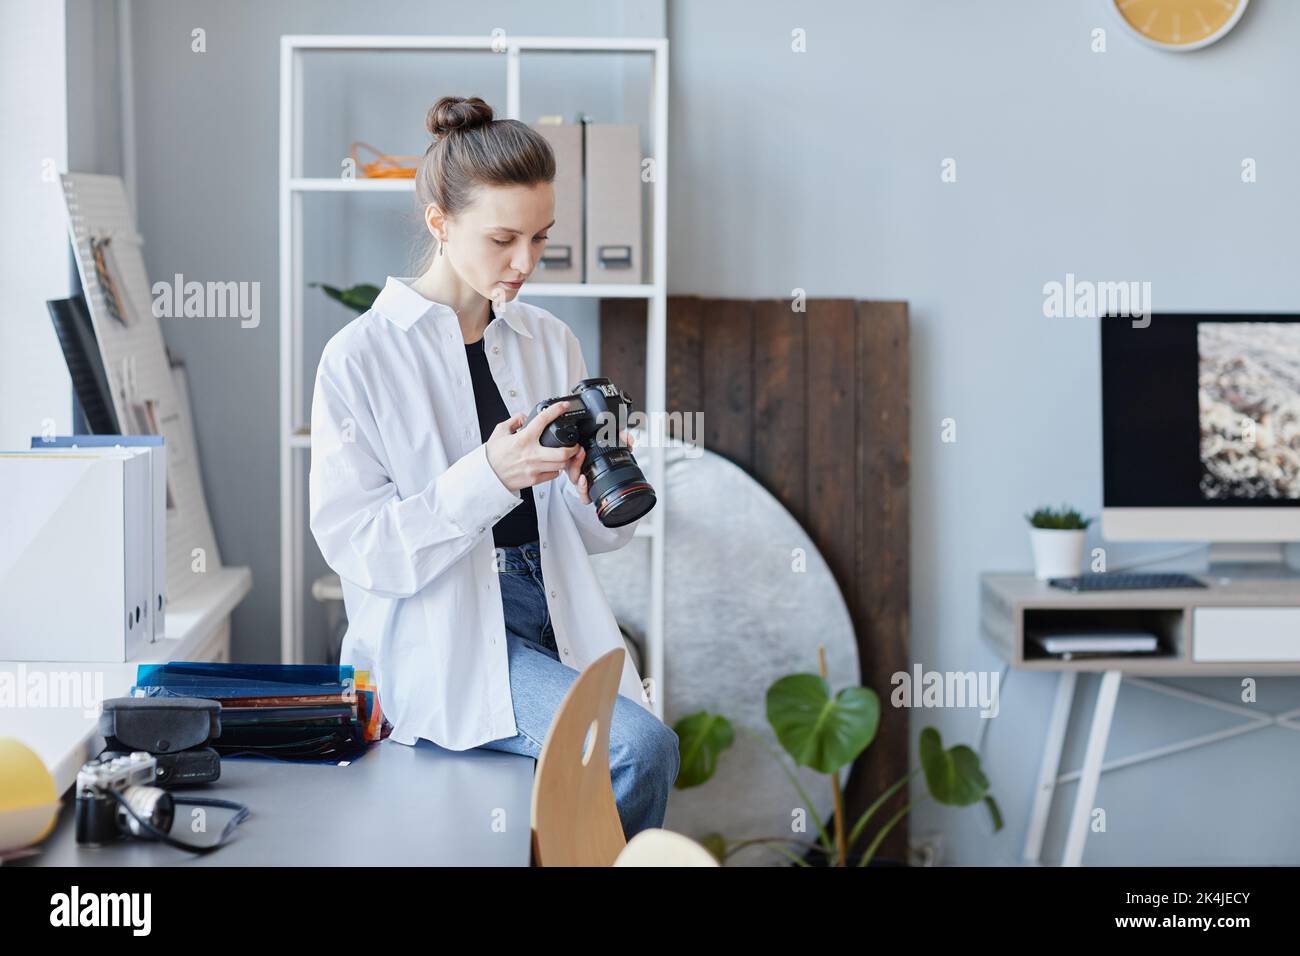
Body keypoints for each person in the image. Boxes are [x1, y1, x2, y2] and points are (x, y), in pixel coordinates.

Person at [308, 95, 679, 841]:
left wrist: (591, 490)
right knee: (641, 749)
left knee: (632, 755)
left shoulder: (548, 340)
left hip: (553, 603)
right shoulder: (361, 359)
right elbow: (360, 546)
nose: (524, 264)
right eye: (503, 238)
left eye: (540, 239)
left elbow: (594, 541)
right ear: (440, 223)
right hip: (445, 632)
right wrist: (491, 474)